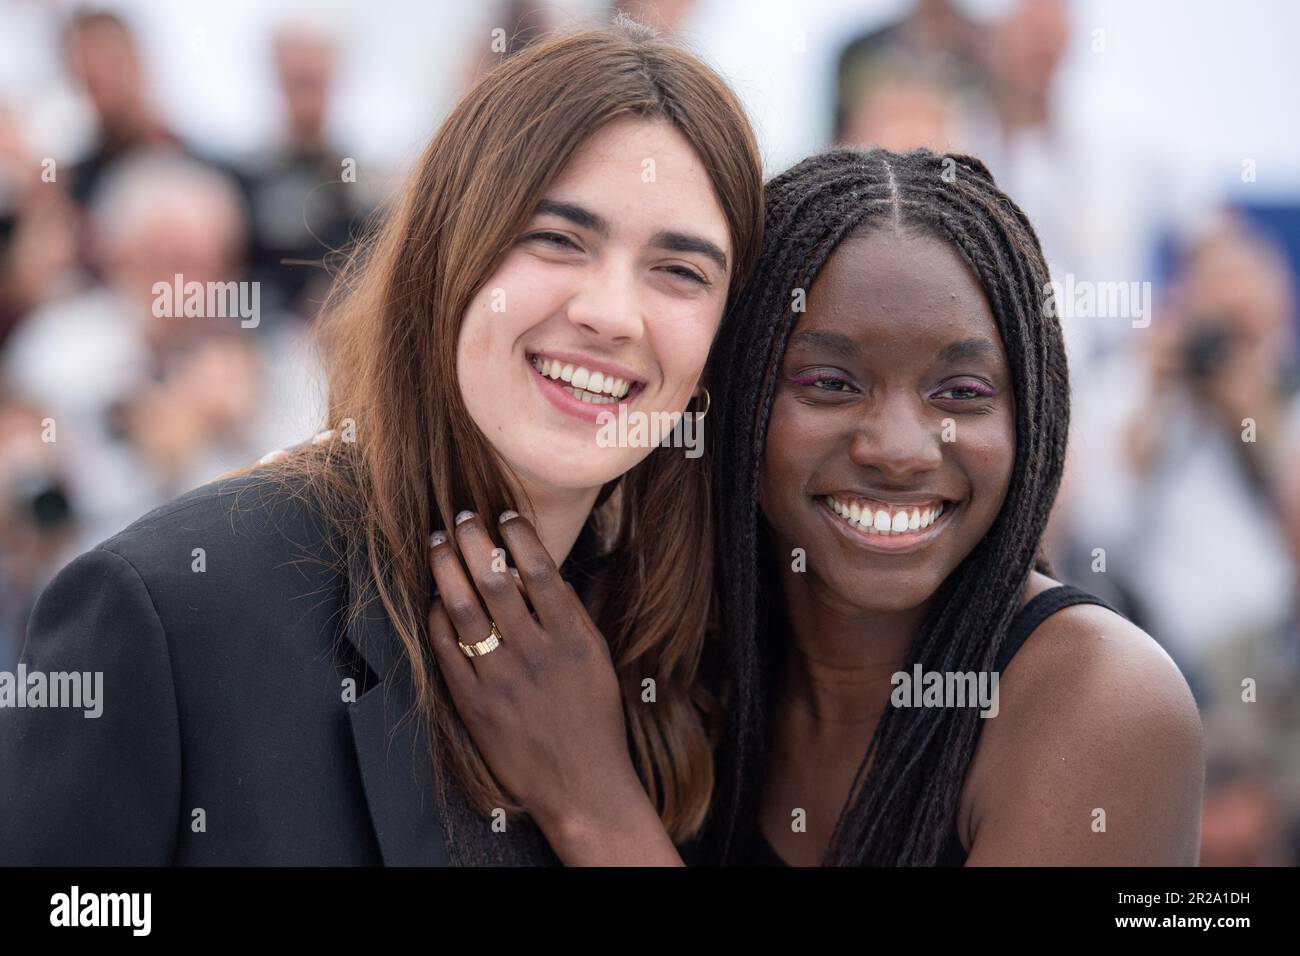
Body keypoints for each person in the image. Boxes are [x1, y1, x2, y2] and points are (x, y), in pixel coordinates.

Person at [0, 18, 762, 866]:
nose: (611, 314)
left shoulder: (707, 659)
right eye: (556, 239)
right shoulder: (166, 608)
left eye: (682, 271)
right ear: (446, 255)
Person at [438, 147, 1205, 866]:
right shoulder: (666, 652)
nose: (901, 449)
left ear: (1033, 415)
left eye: (962, 393)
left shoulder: (1104, 703)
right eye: (830, 384)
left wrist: (590, 800)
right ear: (735, 398)